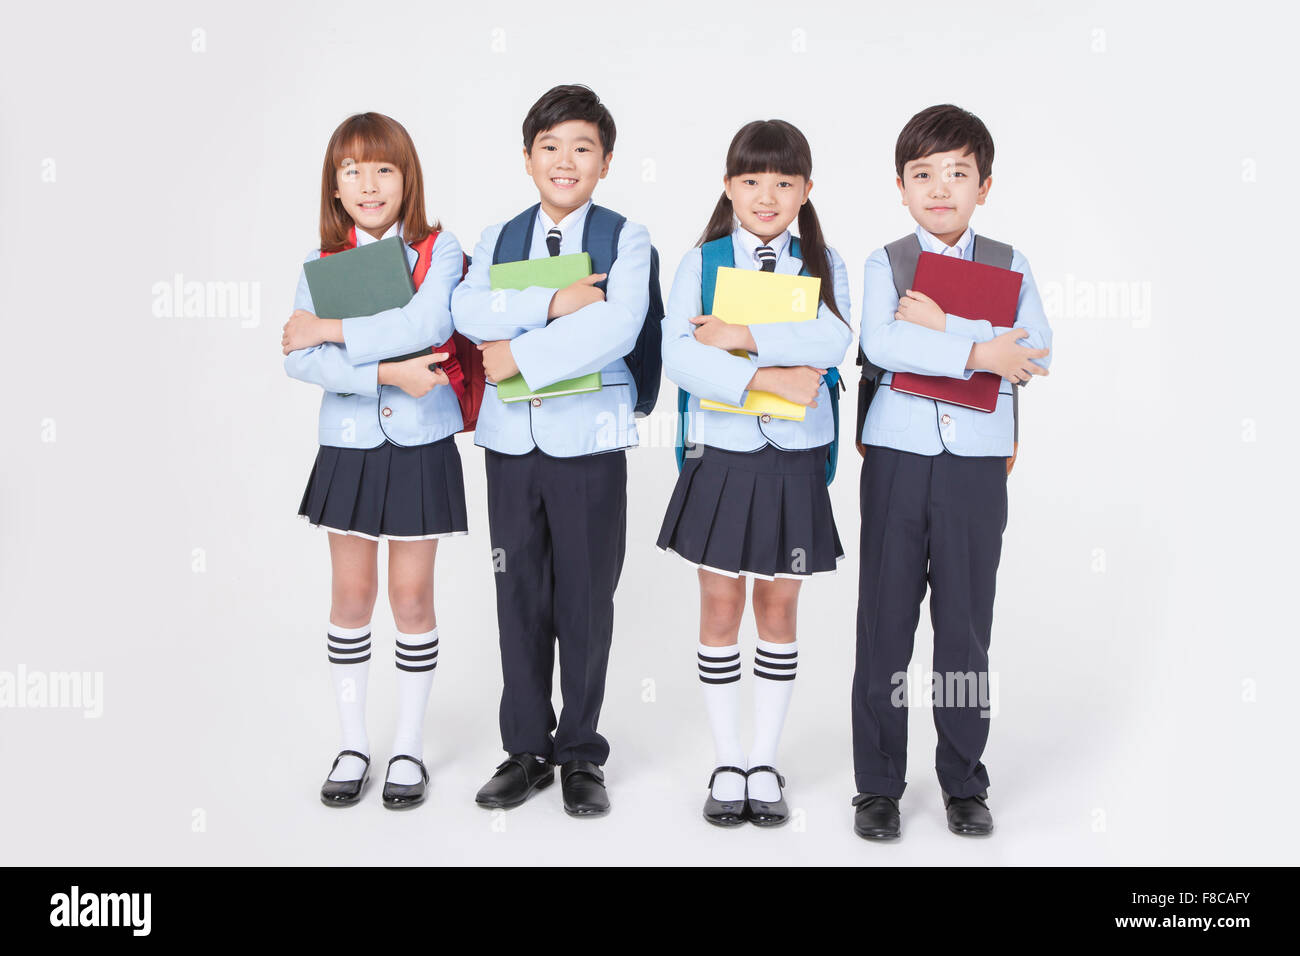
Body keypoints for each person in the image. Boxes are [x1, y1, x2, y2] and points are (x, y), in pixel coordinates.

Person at [451, 84, 653, 818]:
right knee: (520, 593)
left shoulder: (625, 237)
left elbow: (620, 328)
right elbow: (469, 310)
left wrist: (516, 356)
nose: (565, 162)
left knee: (587, 598)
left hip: (589, 441)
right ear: (528, 157)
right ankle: (525, 750)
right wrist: (556, 302)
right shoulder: (497, 238)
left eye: (583, 149)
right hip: (509, 443)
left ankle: (579, 753)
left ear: (604, 162)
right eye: (550, 147)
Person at [851, 104, 1052, 840]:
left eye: (958, 173)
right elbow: (881, 342)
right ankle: (876, 785)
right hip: (898, 459)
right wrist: (980, 351)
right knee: (885, 624)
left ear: (985, 185)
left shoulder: (1010, 264)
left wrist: (947, 330)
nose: (941, 188)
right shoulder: (886, 262)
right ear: (901, 186)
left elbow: (1037, 353)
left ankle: (964, 781)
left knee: (965, 628)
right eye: (923, 173)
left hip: (974, 466)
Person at [657, 119, 852, 827]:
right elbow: (679, 356)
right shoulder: (699, 263)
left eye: (782, 181)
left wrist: (739, 336)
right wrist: (773, 373)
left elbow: (833, 338)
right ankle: (728, 758)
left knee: (778, 608)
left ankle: (765, 760)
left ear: (805, 189)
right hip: (721, 458)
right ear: (728, 186)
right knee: (719, 608)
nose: (766, 195)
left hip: (794, 461)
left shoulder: (823, 261)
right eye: (751, 180)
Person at [283, 112, 467, 811]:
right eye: (353, 170)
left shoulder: (438, 250)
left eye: (383, 168)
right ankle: (355, 741)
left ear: (407, 178)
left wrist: (329, 331)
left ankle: (409, 746)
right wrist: (390, 374)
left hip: (420, 445)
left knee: (412, 597)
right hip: (350, 449)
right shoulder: (322, 263)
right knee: (351, 597)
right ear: (334, 186)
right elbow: (300, 362)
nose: (369, 183)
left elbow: (427, 325)